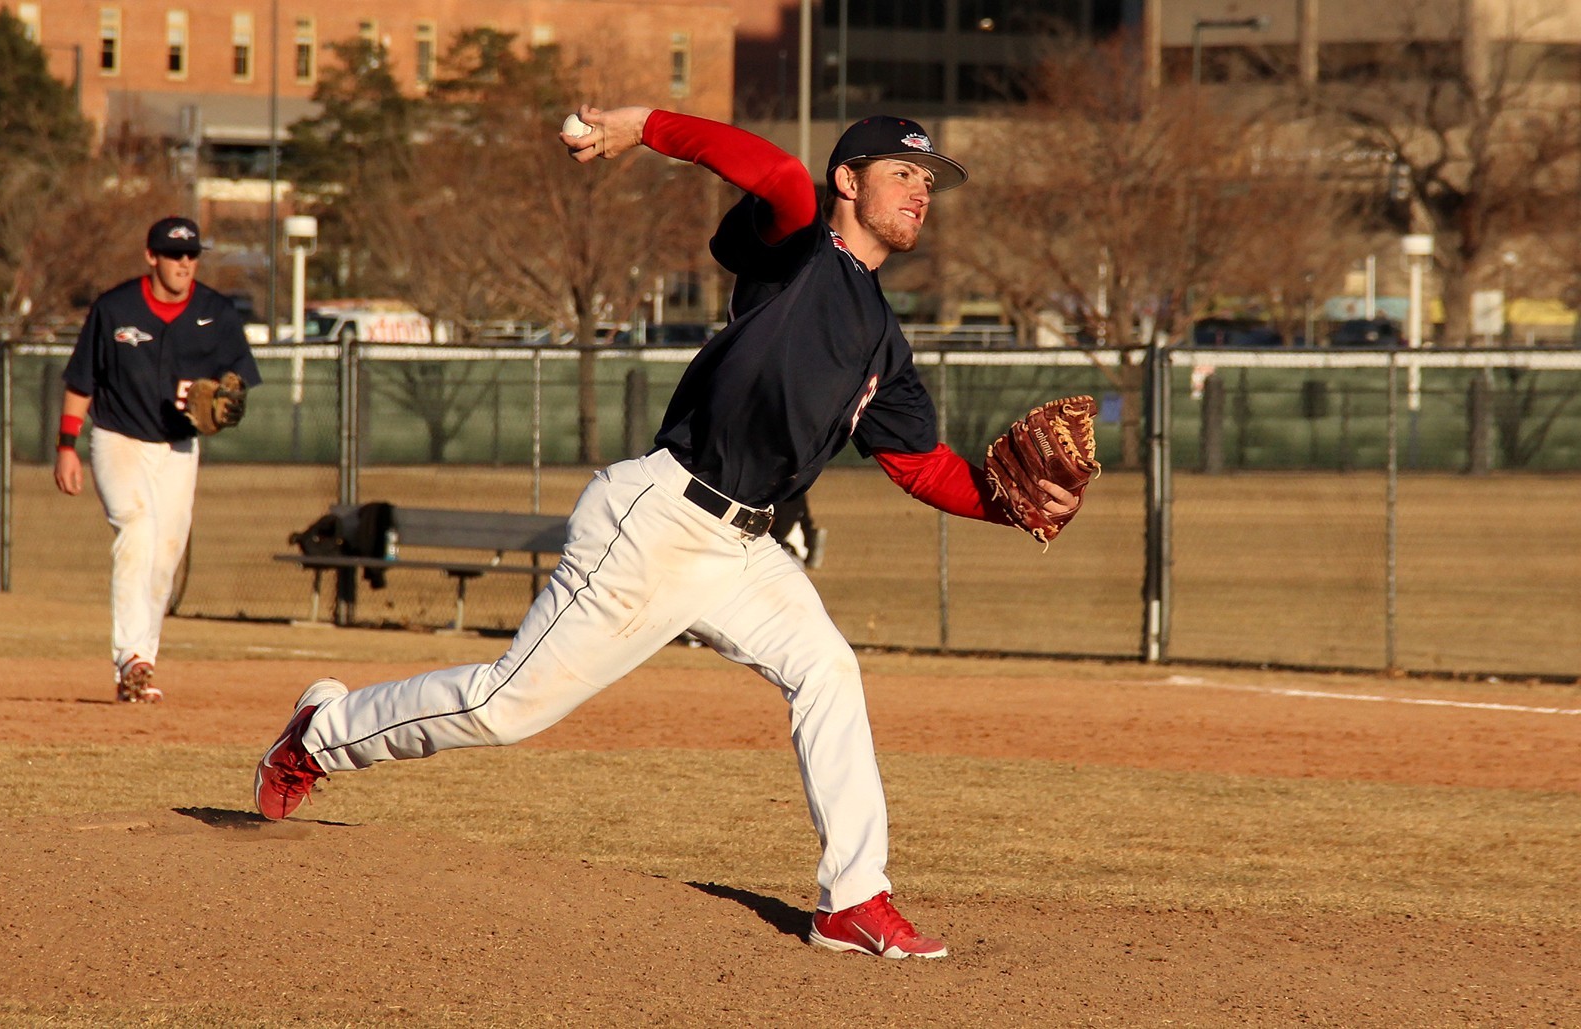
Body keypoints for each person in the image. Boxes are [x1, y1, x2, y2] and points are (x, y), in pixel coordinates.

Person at [253, 108, 1079, 960]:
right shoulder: (797, 253)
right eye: (903, 173)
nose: (922, 191)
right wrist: (640, 125)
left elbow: (917, 462)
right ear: (848, 181)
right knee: (508, 708)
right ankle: (320, 731)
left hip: (746, 547)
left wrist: (1013, 503)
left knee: (828, 668)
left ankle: (852, 899)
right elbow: (776, 176)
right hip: (659, 518)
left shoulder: (883, 339)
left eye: (930, 180)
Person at [55, 216, 259, 703]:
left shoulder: (216, 311)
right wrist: (67, 447)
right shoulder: (115, 308)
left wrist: (229, 402)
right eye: (173, 254)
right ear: (152, 257)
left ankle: (140, 665)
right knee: (138, 527)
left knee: (167, 552)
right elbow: (82, 380)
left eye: (190, 255)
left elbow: (238, 381)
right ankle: (129, 654)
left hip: (178, 446)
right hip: (117, 437)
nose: (183, 263)